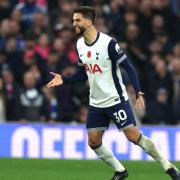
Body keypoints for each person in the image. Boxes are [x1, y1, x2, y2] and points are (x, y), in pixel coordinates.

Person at [47, 6, 180, 180]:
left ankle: (168, 166)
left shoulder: (108, 43)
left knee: (133, 136)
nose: (74, 24)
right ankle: (120, 171)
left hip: (116, 99)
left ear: (89, 21)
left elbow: (129, 67)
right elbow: (83, 73)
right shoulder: (79, 45)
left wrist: (138, 92)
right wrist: (64, 79)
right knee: (93, 142)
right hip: (96, 102)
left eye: (77, 20)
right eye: (73, 20)